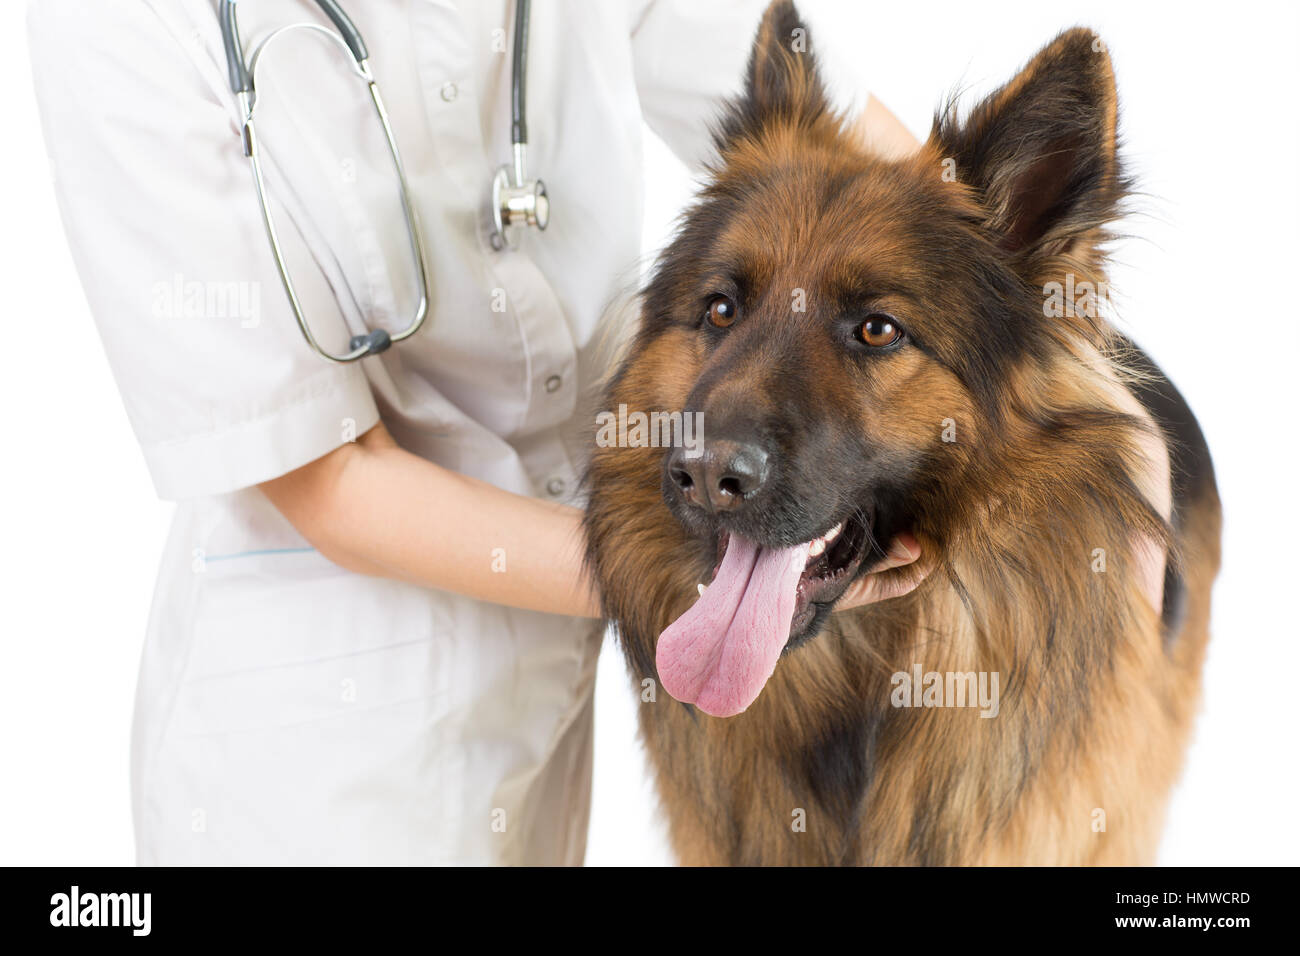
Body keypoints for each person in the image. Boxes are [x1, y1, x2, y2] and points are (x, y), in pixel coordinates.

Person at [28, 0, 924, 865]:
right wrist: (704, 584)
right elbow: (330, 481)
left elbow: (872, 176)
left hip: (551, 703)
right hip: (305, 736)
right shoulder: (121, 15)